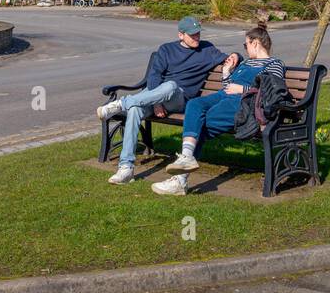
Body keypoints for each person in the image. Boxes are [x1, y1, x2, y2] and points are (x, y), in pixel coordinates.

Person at [96, 16, 239, 185]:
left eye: (198, 34)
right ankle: (126, 168)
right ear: (181, 35)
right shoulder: (166, 50)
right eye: (192, 35)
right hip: (157, 99)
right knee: (135, 110)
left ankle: (121, 103)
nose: (197, 37)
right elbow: (154, 76)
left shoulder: (207, 50)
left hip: (180, 100)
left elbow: (233, 59)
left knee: (171, 86)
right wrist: (156, 103)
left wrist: (236, 55)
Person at [152, 24, 285, 196]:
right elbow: (228, 87)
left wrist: (243, 90)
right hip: (223, 96)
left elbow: (271, 92)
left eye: (246, 45)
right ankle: (186, 158)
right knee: (194, 105)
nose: (244, 49)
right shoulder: (246, 63)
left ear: (256, 43)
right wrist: (226, 72)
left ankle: (180, 180)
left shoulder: (274, 64)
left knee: (201, 123)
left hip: (244, 102)